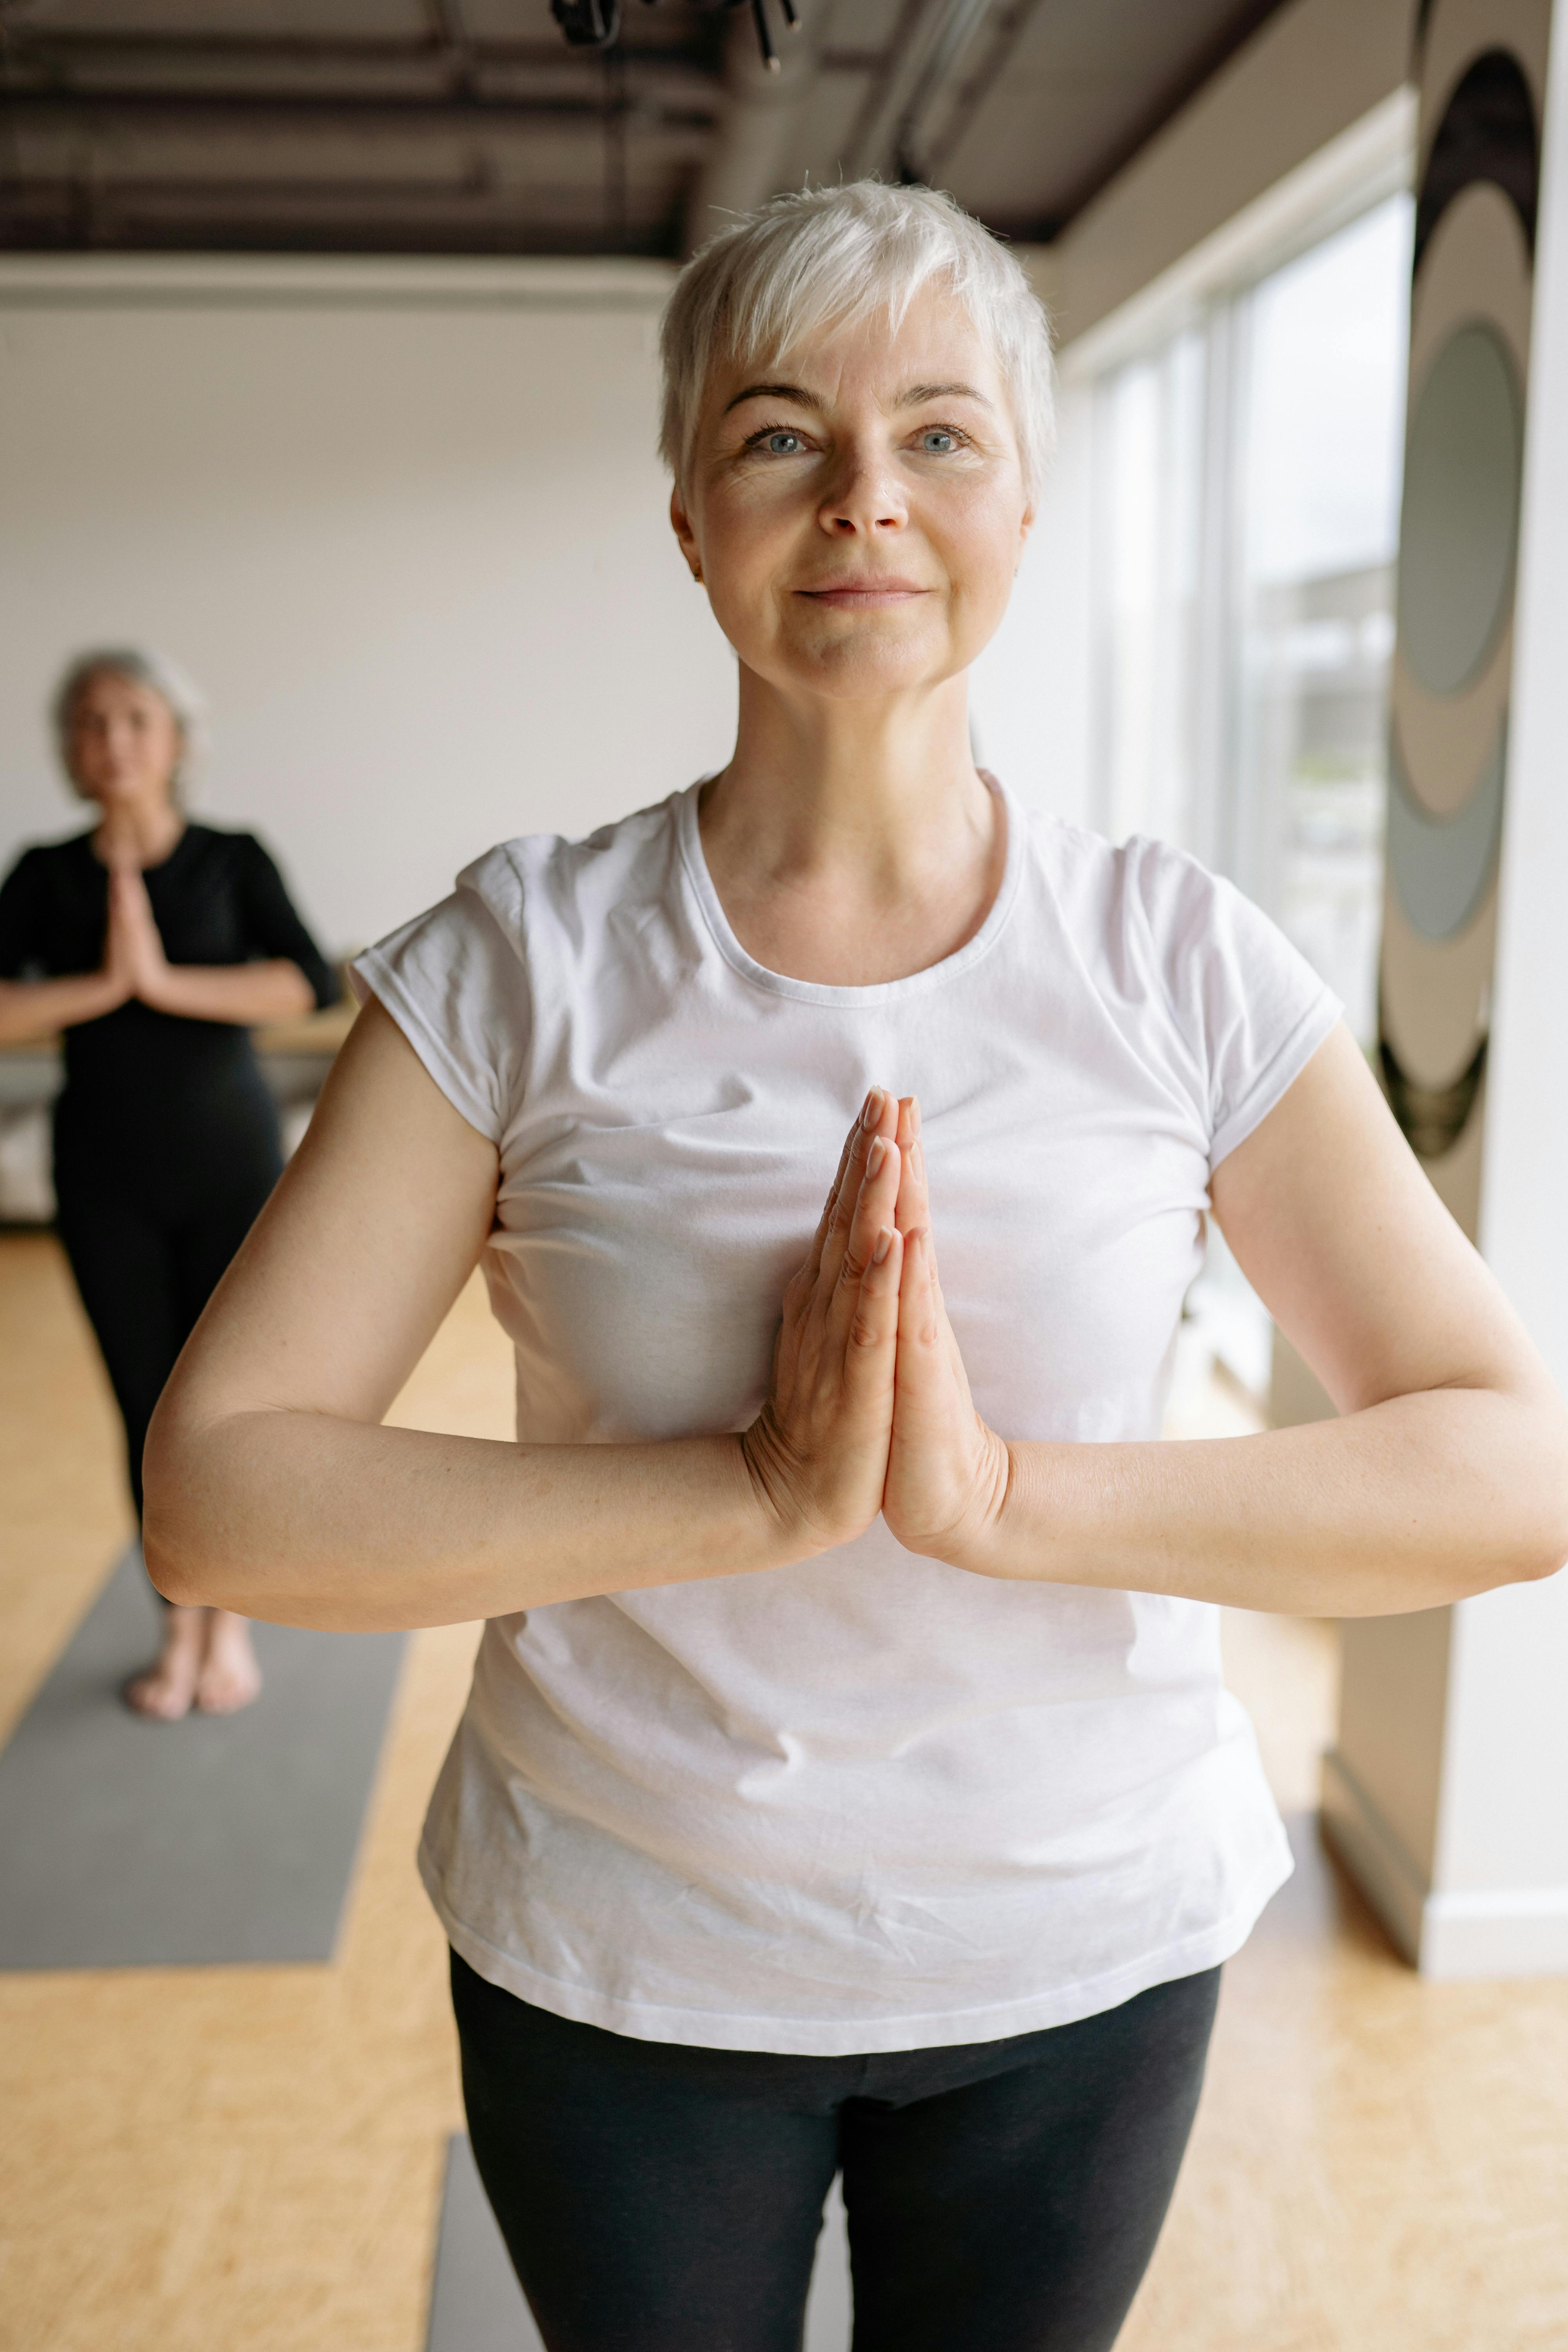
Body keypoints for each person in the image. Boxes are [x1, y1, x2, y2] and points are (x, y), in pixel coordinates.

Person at [144, 185, 1568, 2350]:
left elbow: (1509, 1462)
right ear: (692, 513)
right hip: (624, 1956)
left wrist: (999, 1502)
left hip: (1085, 1966)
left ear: (1026, 496)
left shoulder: (1178, 959)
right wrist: (745, 1490)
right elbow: (220, 1485)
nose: (863, 504)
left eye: (940, 436)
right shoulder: (518, 963)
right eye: (784, 436)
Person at [0, 650, 339, 1720]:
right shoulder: (45, 874)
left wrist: (160, 983)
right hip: (103, 1176)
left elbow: (306, 981)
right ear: (70, 748)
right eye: (90, 722)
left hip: (228, 1163)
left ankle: (225, 1619)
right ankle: (174, 1622)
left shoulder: (229, 860)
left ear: (176, 741)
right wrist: (106, 985)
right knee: (142, 1406)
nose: (112, 740)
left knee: (223, 1407)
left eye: (134, 719)